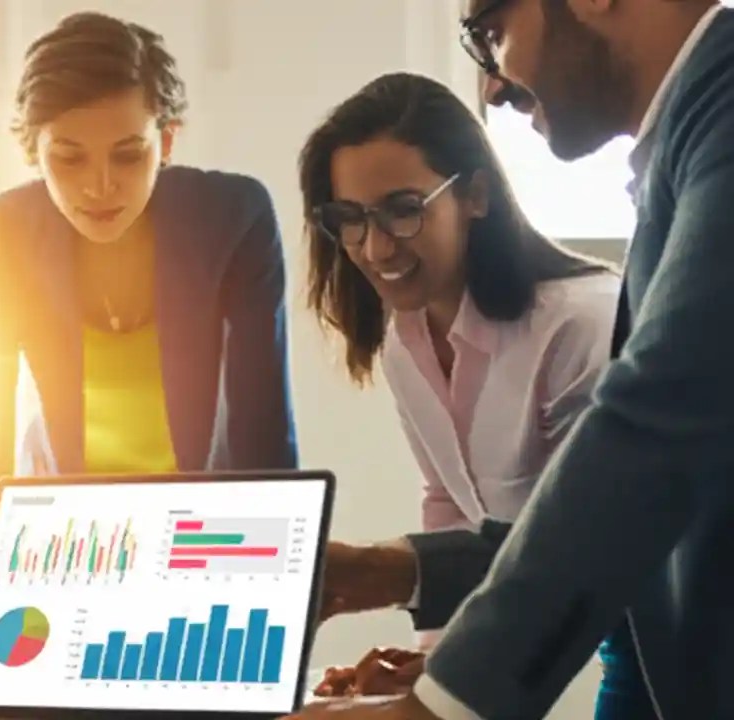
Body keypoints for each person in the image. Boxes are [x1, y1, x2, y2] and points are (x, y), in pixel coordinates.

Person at [291, 0, 734, 718]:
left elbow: (651, 441)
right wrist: (420, 625)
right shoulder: (689, 143)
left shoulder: (721, 125)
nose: (493, 84)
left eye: (491, 30)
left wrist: (441, 702)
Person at [0, 11, 297, 647]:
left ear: (167, 140)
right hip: (63, 543)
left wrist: (275, 626)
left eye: (128, 155)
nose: (98, 186)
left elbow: (261, 434)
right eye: (68, 158)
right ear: (32, 149)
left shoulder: (234, 217)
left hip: (201, 536)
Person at [299, 69, 616, 683]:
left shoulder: (581, 325)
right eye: (351, 218)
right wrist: (433, 667)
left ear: (475, 194)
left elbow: (592, 544)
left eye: (403, 211)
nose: (376, 248)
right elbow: (450, 505)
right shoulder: (404, 340)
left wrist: (386, 573)